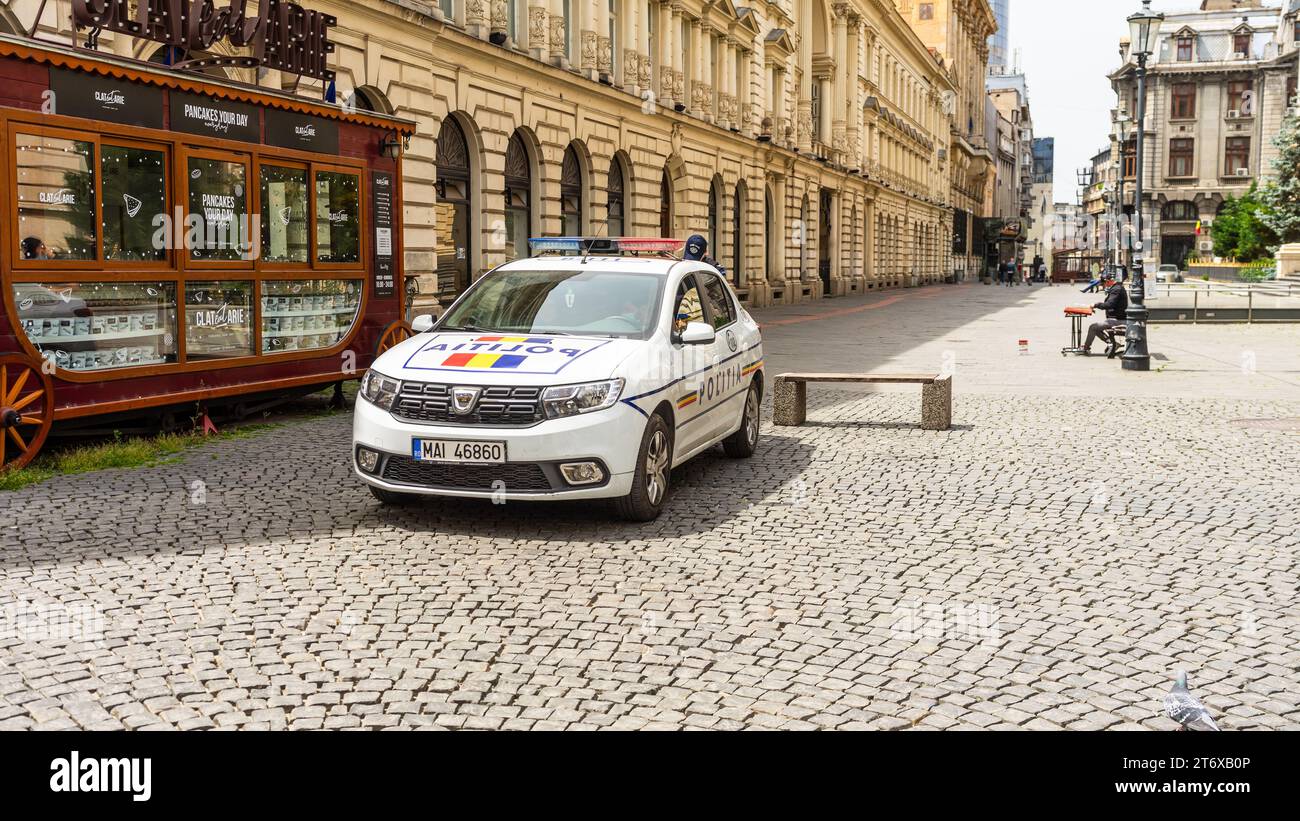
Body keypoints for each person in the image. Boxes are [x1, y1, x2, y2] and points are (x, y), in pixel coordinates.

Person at [1081, 278, 1129, 356]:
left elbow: (1109, 304)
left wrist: (1095, 305)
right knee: (1096, 327)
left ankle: (1086, 348)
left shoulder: (1116, 289)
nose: (1104, 286)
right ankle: (1111, 343)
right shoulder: (1117, 287)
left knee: (1093, 327)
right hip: (1117, 318)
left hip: (1118, 319)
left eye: (1104, 284)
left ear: (1108, 281)